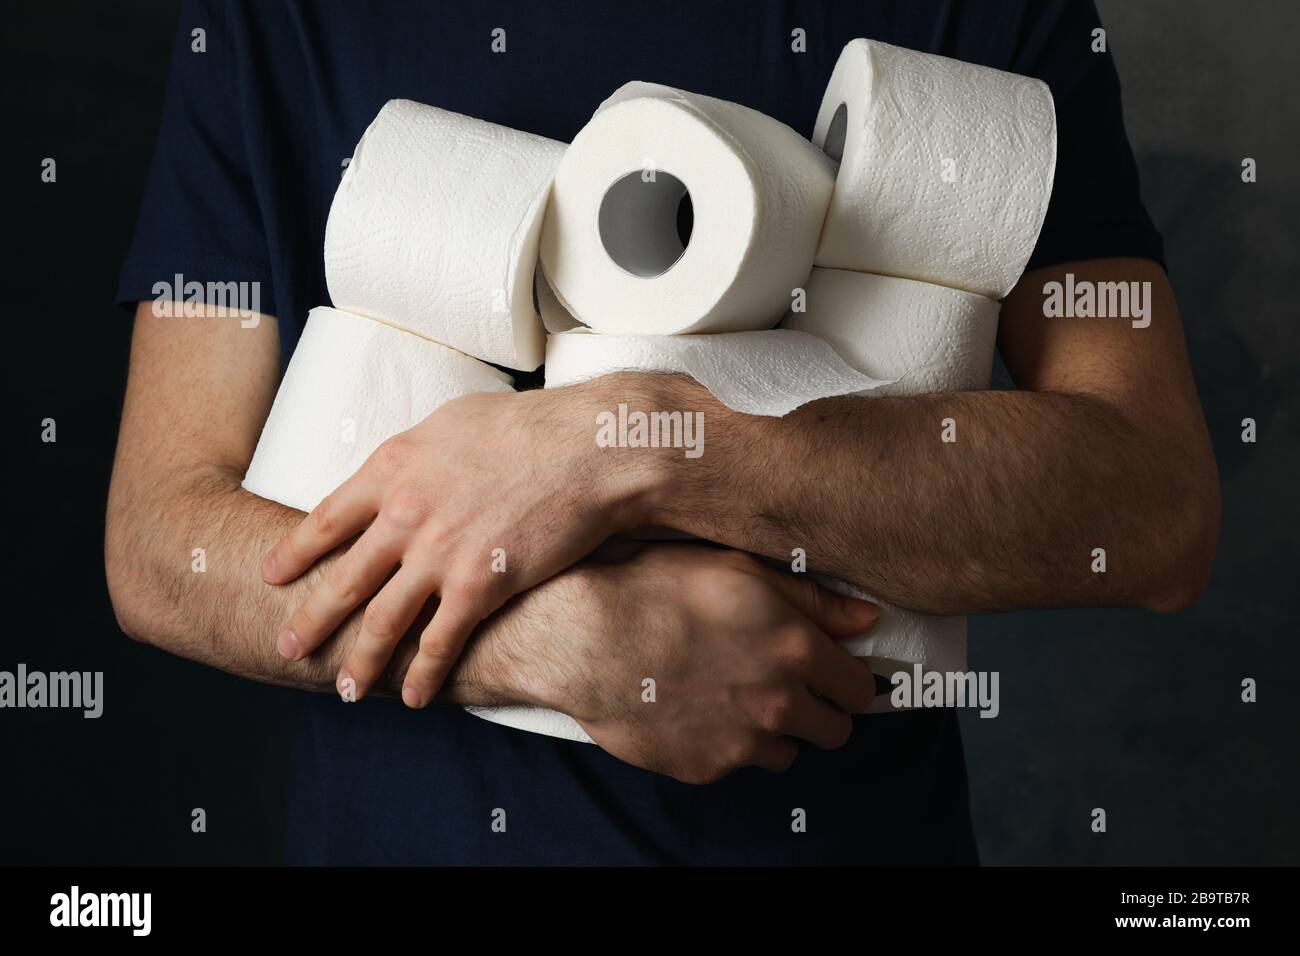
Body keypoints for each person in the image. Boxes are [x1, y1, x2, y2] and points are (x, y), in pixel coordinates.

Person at [105, 0, 1219, 864]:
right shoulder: (277, 19)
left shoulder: (977, 19)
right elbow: (161, 542)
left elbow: (1153, 505)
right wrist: (558, 648)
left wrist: (641, 444)